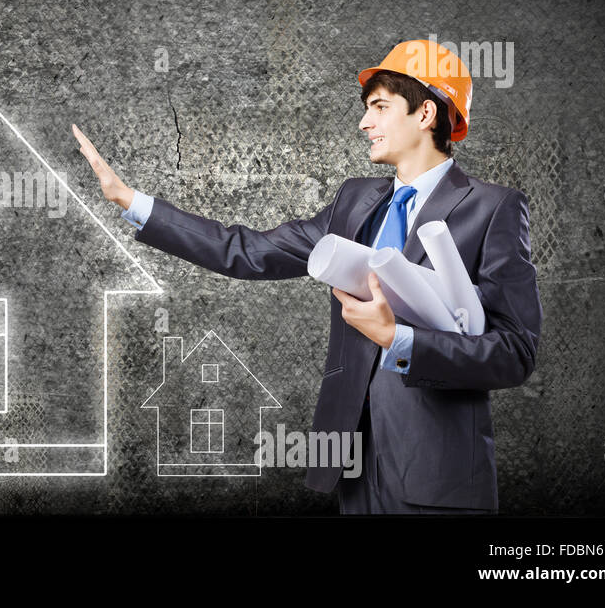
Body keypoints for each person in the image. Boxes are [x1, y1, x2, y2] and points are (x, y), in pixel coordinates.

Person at [73, 39, 542, 514]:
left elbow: (515, 352)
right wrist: (131, 202)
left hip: (438, 470)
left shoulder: (492, 209)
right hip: (352, 462)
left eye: (380, 107)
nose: (365, 123)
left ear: (425, 114)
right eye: (366, 109)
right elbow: (248, 251)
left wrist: (399, 338)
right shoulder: (355, 201)